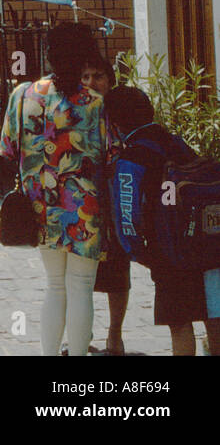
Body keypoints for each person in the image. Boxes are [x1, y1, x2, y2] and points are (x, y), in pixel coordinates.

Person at [0, 22, 108, 357]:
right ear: (84, 56)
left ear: (49, 53)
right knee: (81, 287)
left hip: (40, 206)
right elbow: (109, 152)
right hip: (83, 208)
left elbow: (7, 148)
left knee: (55, 285)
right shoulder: (94, 103)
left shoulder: (22, 95)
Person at [103, 85, 220, 357]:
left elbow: (126, 214)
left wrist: (138, 252)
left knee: (180, 324)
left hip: (169, 253)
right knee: (214, 319)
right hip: (209, 245)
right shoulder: (176, 142)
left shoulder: (131, 157)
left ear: (115, 122)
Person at [81, 55, 128, 355]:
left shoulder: (122, 111)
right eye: (85, 77)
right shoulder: (74, 112)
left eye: (98, 76)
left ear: (110, 80)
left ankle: (115, 335)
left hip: (113, 201)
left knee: (117, 274)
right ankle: (81, 333)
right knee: (80, 275)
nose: (91, 83)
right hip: (82, 204)